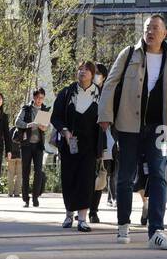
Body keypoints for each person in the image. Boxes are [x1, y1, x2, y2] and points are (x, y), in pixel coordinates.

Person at [98, 12, 167, 251]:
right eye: (148, 27)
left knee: (159, 176)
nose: (151, 31)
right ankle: (123, 225)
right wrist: (105, 115)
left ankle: (156, 231)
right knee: (125, 176)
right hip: (128, 124)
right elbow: (110, 83)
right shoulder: (128, 54)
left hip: (159, 128)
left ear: (165, 33)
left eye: (156, 28)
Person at [51, 61, 102, 232]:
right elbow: (55, 116)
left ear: (93, 73)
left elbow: (108, 116)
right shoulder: (67, 92)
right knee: (69, 178)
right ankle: (68, 214)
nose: (83, 72)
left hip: (90, 146)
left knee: (86, 180)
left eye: (87, 69)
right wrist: (65, 131)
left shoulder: (100, 93)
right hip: (69, 144)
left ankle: (82, 218)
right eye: (80, 68)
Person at [15, 87, 49, 207]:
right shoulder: (26, 108)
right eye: (38, 97)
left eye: (42, 98)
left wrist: (41, 126)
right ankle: (26, 199)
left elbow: (45, 128)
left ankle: (35, 197)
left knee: (38, 172)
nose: (40, 100)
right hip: (26, 145)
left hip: (39, 145)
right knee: (25, 171)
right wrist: (30, 124)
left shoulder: (45, 109)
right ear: (34, 97)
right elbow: (17, 122)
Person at [89, 65, 113, 224]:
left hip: (105, 138)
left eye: (98, 73)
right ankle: (84, 207)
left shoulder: (109, 91)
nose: (96, 76)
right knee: (87, 176)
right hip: (89, 138)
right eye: (94, 73)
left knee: (101, 174)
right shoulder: (86, 90)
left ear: (104, 76)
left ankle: (93, 210)